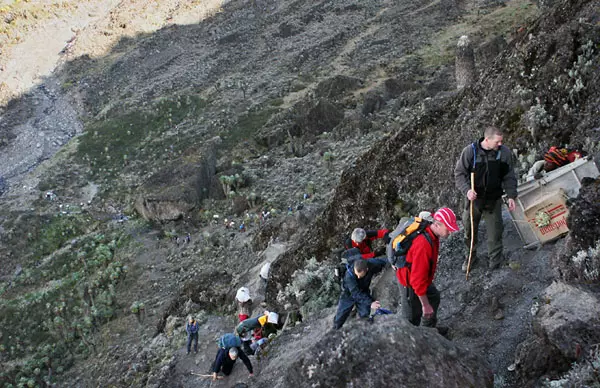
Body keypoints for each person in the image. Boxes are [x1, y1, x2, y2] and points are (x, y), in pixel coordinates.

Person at [454, 126, 517, 271]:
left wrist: (511, 195)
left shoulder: (505, 153)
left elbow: (509, 176)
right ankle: (470, 258)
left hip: (494, 199)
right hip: (473, 201)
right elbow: (459, 174)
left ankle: (495, 263)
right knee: (469, 231)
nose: (500, 144)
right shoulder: (470, 152)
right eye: (497, 142)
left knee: (495, 233)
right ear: (487, 139)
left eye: (501, 141)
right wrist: (467, 190)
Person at [395, 208, 459, 330]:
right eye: (448, 228)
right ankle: (416, 342)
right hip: (409, 282)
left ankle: (430, 331)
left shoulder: (432, 234)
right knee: (412, 318)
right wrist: (425, 305)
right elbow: (417, 282)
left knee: (434, 296)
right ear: (437, 224)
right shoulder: (423, 245)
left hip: (421, 278)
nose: (451, 232)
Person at [333, 256, 387, 329]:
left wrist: (394, 263)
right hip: (349, 294)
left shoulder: (371, 264)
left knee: (365, 314)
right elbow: (356, 294)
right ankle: (335, 330)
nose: (358, 277)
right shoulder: (349, 275)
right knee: (340, 316)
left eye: (360, 276)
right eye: (357, 274)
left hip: (363, 292)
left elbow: (384, 260)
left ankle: (363, 330)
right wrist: (370, 303)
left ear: (367, 269)